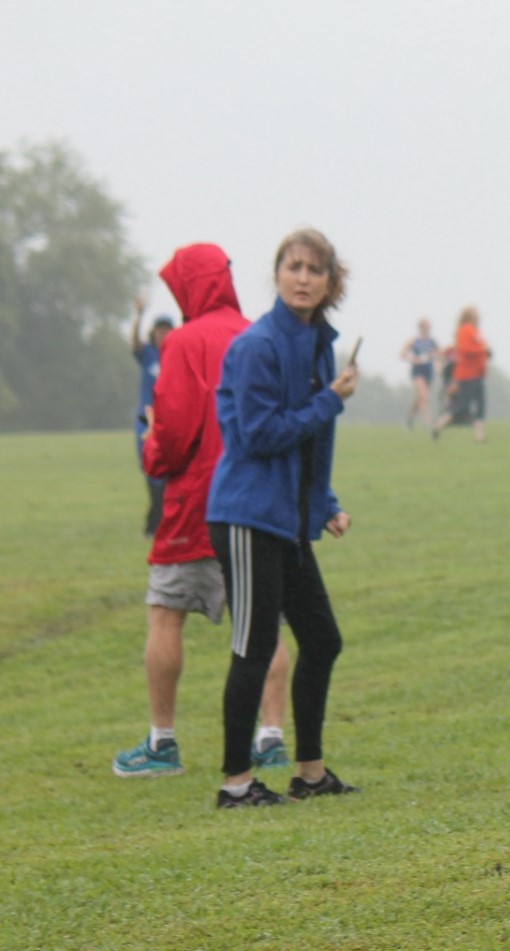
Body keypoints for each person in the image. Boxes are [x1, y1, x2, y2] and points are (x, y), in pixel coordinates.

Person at [112, 244, 291, 779]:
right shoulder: (263, 334)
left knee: (165, 613)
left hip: (196, 506)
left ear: (190, 286)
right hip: (258, 503)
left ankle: (162, 744)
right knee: (265, 623)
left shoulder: (185, 341)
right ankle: (273, 736)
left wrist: (149, 439)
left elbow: (173, 436)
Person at [206, 228, 362, 808]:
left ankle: (311, 774)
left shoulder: (317, 344)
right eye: (293, 267)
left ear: (329, 284)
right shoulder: (256, 346)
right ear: (276, 275)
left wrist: (325, 504)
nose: (303, 278)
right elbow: (261, 435)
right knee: (254, 646)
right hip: (246, 517)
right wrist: (332, 399)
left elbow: (314, 443)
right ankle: (236, 783)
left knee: (321, 639)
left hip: (290, 522)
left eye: (314, 270)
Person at [130, 299, 173, 537]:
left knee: (166, 470)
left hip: (169, 419)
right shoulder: (148, 354)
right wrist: (138, 314)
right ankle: (155, 520)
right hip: (146, 420)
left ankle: (156, 522)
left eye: (167, 329)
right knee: (150, 468)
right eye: (160, 329)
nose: (163, 333)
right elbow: (134, 342)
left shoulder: (176, 352)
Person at [434, 307, 489, 443]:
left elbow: (482, 348)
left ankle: (479, 436)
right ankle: (438, 425)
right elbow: (465, 349)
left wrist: (486, 351)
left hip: (478, 373)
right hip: (466, 374)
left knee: (481, 405)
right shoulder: (464, 330)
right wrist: (482, 349)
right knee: (462, 406)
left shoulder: (476, 332)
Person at [400, 319, 438, 430]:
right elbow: (402, 354)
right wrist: (413, 359)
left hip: (428, 371)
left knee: (419, 398)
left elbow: (439, 355)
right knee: (423, 396)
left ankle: (409, 418)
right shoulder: (414, 341)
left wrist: (435, 358)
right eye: (425, 326)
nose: (427, 329)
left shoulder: (432, 342)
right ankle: (429, 423)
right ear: (421, 328)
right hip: (418, 371)